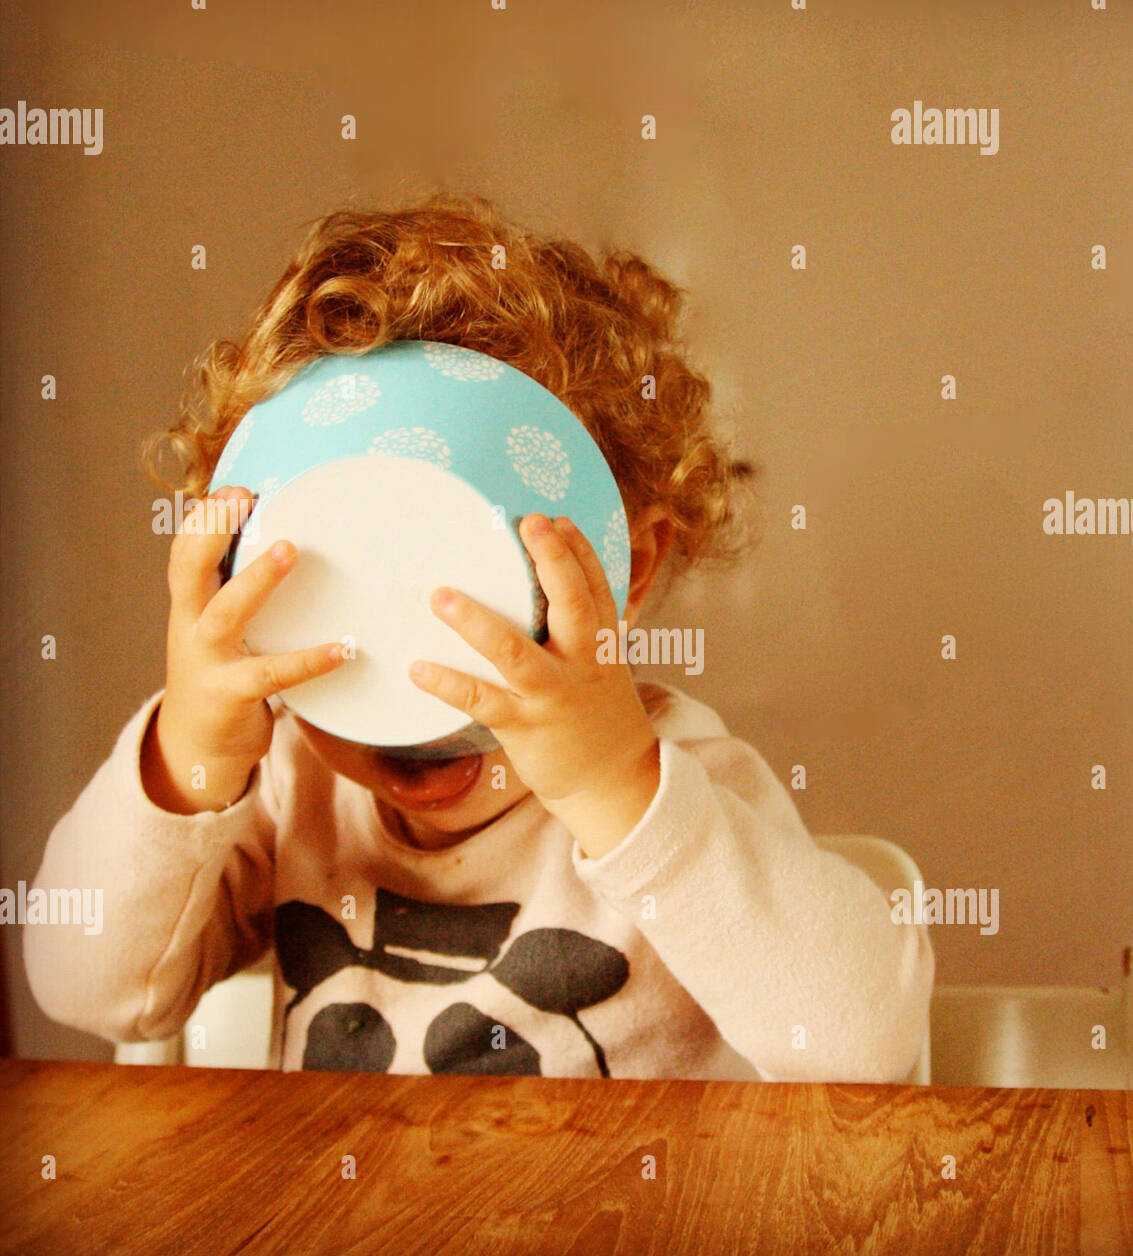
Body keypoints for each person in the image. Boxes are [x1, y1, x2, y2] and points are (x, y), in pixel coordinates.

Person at [24, 190, 933, 1081]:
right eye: (352, 624)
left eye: (480, 618)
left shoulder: (669, 777)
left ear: (626, 571)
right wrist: (188, 752)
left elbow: (858, 1047)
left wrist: (613, 784)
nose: (430, 702)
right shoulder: (289, 787)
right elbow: (91, 990)